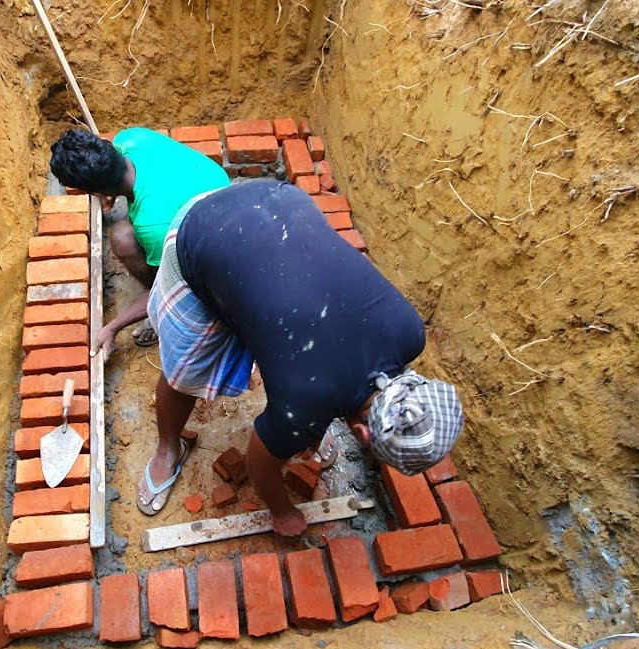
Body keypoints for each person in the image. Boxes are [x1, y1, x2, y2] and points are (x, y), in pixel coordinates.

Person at [142, 179, 465, 535]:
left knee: (287, 359)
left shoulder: (410, 333)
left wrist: (306, 425)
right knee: (183, 375)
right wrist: (282, 513)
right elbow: (258, 464)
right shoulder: (307, 399)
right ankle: (167, 446)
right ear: (360, 432)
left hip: (274, 196)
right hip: (199, 228)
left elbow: (320, 349)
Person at [49, 127, 230, 350]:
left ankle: (162, 314)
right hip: (222, 197)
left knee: (122, 237)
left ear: (96, 192)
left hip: (220, 259)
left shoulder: (153, 225)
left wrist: (113, 327)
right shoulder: (132, 138)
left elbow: (165, 288)